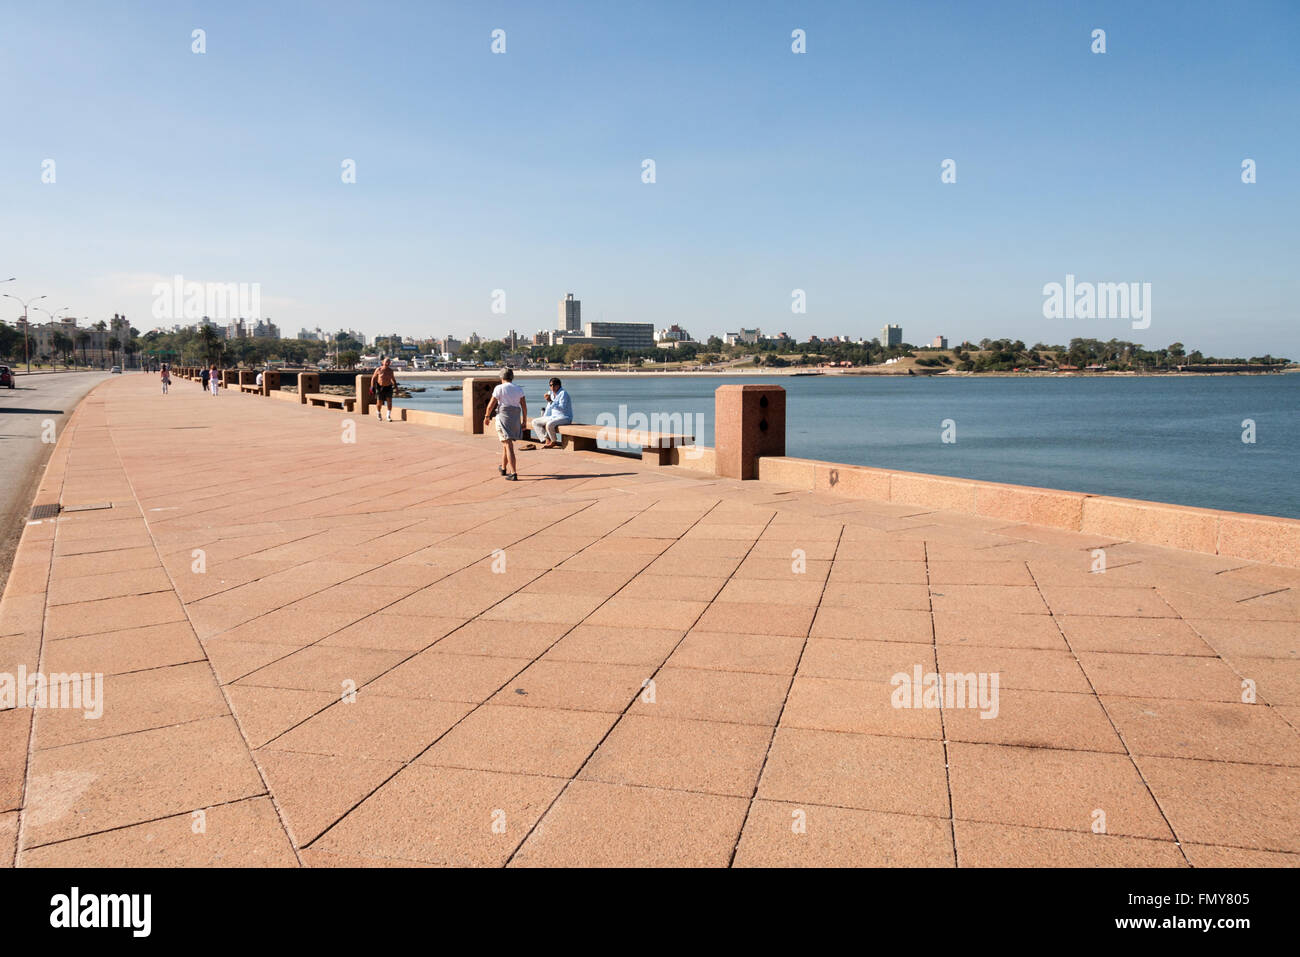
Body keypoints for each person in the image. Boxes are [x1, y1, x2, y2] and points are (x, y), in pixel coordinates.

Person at [483, 368, 527, 481]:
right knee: (506, 444)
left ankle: (513, 473)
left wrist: (487, 417)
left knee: (508, 445)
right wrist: (524, 421)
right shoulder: (518, 389)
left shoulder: (499, 388)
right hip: (515, 418)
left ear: (502, 377)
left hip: (503, 418)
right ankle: (503, 468)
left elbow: (491, 404)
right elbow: (524, 406)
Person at [532, 377, 573, 448]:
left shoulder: (563, 393)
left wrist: (551, 401)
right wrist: (544, 418)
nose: (552, 387)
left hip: (565, 417)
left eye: (554, 385)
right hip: (553, 417)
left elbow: (562, 408)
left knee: (549, 424)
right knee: (535, 422)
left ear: (559, 385)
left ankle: (554, 441)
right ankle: (546, 440)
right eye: (550, 385)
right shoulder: (550, 393)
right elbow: (548, 408)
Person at [372, 358, 397, 422]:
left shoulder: (390, 371)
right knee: (379, 402)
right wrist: (372, 387)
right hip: (380, 387)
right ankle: (378, 413)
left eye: (389, 362)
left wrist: (396, 388)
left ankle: (388, 416)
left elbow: (393, 379)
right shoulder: (379, 369)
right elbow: (373, 378)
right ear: (383, 362)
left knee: (389, 402)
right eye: (386, 362)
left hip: (388, 387)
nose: (387, 363)